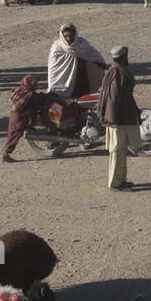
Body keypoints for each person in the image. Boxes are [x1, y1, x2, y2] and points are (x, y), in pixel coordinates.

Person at [97, 45, 141, 190]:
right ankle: (115, 183)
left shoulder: (114, 71)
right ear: (124, 56)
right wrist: (114, 118)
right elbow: (115, 98)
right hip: (118, 119)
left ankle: (121, 180)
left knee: (121, 151)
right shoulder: (118, 73)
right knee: (117, 151)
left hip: (119, 117)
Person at [47, 23, 106, 96]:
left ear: (75, 34)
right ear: (62, 36)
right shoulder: (56, 48)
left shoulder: (82, 44)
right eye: (66, 36)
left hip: (82, 79)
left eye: (71, 35)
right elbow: (54, 71)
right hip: (62, 85)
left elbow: (95, 57)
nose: (69, 39)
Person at [2, 75, 48, 162]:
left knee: (12, 133)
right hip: (20, 117)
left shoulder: (20, 90)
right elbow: (39, 98)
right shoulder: (30, 95)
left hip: (14, 114)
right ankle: (6, 153)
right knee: (14, 135)